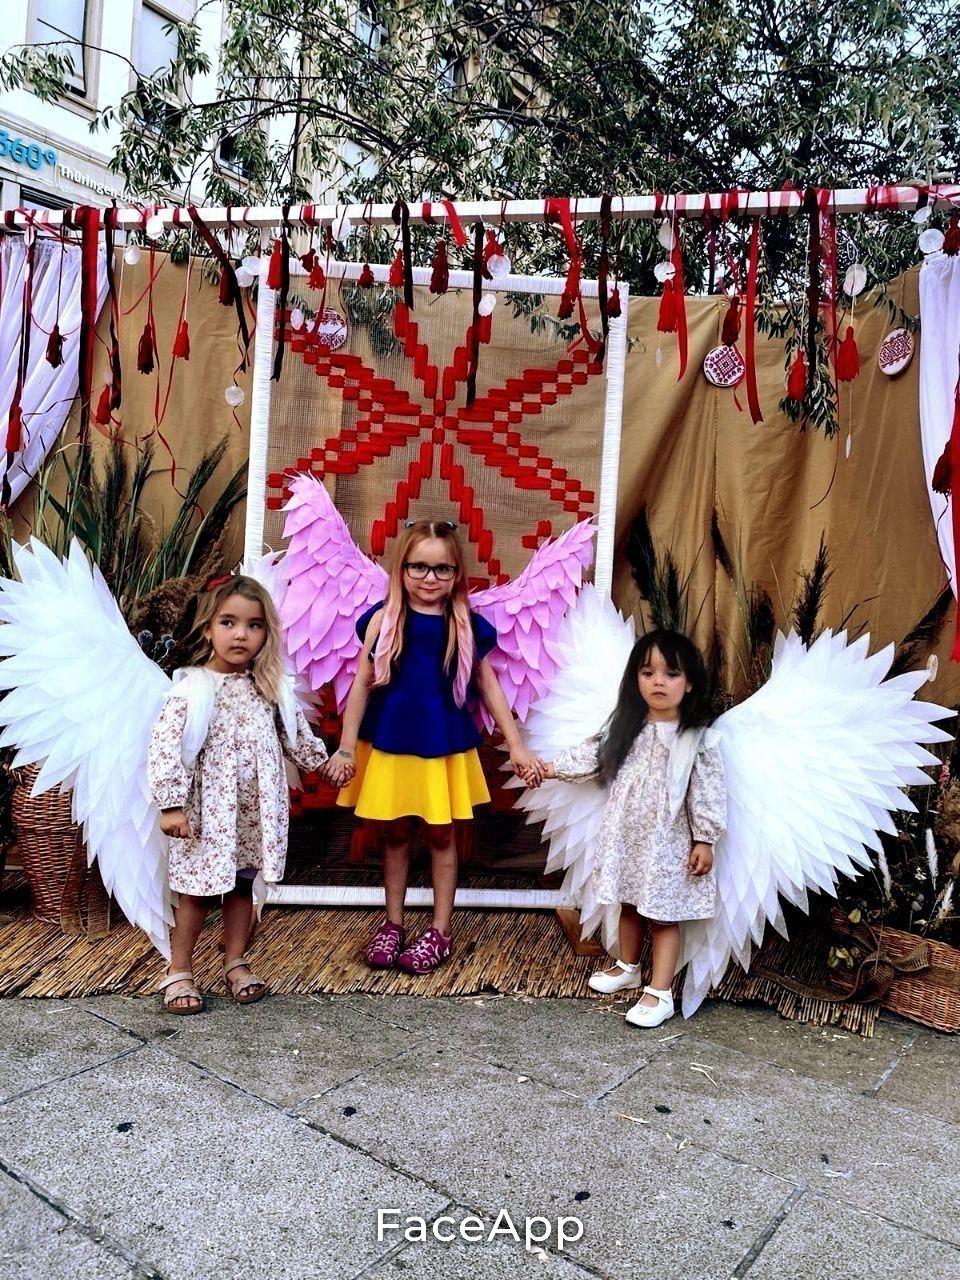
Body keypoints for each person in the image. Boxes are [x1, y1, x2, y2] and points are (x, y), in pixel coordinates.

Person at [325, 519, 545, 973]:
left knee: (443, 835)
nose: (430, 579)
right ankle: (393, 923)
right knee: (396, 833)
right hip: (389, 742)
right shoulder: (382, 621)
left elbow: (490, 687)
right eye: (419, 568)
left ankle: (440, 931)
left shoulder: (467, 626)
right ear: (401, 569)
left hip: (443, 745)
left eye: (442, 570)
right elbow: (361, 686)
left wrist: (517, 747)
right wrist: (346, 747)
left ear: (457, 574)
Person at [147, 573, 328, 1014]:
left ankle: (235, 961)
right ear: (208, 628)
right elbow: (165, 747)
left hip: (250, 813)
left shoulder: (270, 688)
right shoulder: (192, 687)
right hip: (207, 815)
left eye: (253, 625)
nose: (241, 634)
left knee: (242, 886)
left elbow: (297, 739)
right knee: (195, 892)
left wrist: (326, 762)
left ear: (267, 632)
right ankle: (179, 970)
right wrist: (171, 804)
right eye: (228, 622)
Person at [538, 629, 726, 1028]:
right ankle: (629, 966)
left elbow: (707, 794)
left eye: (671, 673)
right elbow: (592, 754)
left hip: (667, 844)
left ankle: (660, 992)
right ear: (635, 679)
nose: (658, 681)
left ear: (689, 682)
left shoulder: (697, 740)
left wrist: (704, 839)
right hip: (629, 838)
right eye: (648, 672)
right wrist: (550, 768)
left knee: (662, 916)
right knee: (628, 902)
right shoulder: (626, 726)